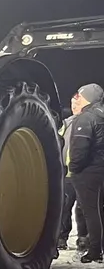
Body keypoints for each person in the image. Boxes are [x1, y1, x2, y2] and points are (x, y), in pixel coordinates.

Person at [69, 83, 104, 263]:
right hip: (100, 169)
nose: (76, 98)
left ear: (87, 98)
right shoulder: (101, 115)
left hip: (88, 172)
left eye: (79, 95)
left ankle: (95, 251)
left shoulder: (86, 118)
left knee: (90, 212)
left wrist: (74, 168)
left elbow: (80, 149)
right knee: (99, 210)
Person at [59, 107, 88, 253]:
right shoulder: (66, 123)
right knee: (64, 207)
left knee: (83, 208)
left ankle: (84, 239)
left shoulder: (94, 123)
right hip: (67, 173)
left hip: (85, 174)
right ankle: (61, 238)